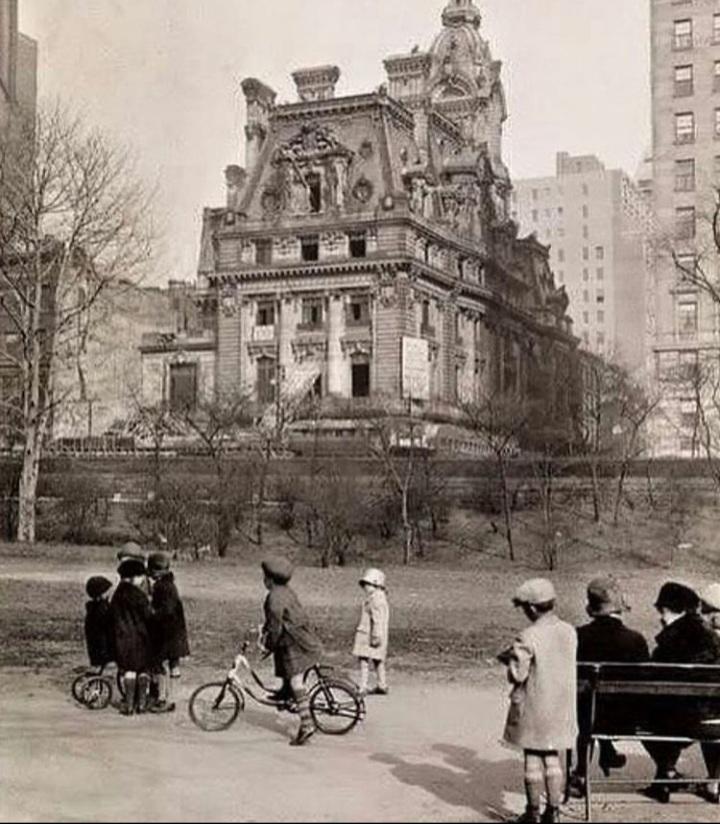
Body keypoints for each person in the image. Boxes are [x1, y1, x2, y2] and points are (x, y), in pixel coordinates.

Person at [500, 578, 577, 824]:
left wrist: (510, 660)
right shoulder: (568, 631)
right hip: (560, 705)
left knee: (532, 758)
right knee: (553, 757)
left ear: (532, 608)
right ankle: (553, 810)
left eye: (523, 607)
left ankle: (532, 811)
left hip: (535, 705)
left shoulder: (528, 635)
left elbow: (519, 674)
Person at [569, 577, 650, 797]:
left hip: (587, 719)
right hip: (627, 718)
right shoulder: (635, 640)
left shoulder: (577, 637)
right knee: (607, 700)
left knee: (589, 700)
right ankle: (608, 751)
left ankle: (582, 772)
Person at [642, 581, 720, 803]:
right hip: (714, 718)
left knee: (650, 718)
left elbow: (650, 681)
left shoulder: (669, 641)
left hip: (681, 721)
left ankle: (665, 772)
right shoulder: (712, 638)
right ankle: (711, 782)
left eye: (662, 611)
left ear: (668, 610)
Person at [260, 557, 322, 746]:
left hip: (296, 643)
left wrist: (268, 644)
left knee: (296, 681)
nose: (263, 580)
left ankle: (306, 724)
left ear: (270, 579)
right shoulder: (286, 591)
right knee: (286, 667)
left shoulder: (274, 597)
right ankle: (285, 693)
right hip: (301, 638)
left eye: (265, 577)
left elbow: (276, 626)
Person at [110, 557, 154, 716]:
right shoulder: (139, 596)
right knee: (143, 669)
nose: (142, 579)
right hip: (141, 638)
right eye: (140, 576)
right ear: (133, 577)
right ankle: (141, 704)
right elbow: (148, 616)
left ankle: (128, 705)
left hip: (122, 638)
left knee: (129, 670)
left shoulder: (116, 595)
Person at [147, 552, 190, 713]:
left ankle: (162, 698)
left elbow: (165, 611)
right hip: (176, 633)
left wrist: (152, 613)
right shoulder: (170, 584)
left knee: (157, 664)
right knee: (174, 665)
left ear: (156, 571)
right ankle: (173, 697)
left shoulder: (161, 587)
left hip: (166, 634)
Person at [352, 568, 390, 697]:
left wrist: (376, 636)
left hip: (369, 635)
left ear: (376, 584)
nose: (365, 587)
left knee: (364, 660)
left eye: (368, 584)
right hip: (375, 634)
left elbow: (377, 620)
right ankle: (382, 684)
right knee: (378, 660)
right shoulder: (379, 598)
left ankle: (363, 686)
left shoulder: (375, 600)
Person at [699, 583, 720, 803]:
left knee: (709, 716)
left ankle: (714, 780)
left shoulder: (702, 644)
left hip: (703, 718)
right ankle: (715, 779)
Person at [84, 576, 114, 673]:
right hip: (104, 648)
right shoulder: (103, 609)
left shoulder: (92, 608)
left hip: (96, 648)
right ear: (102, 594)